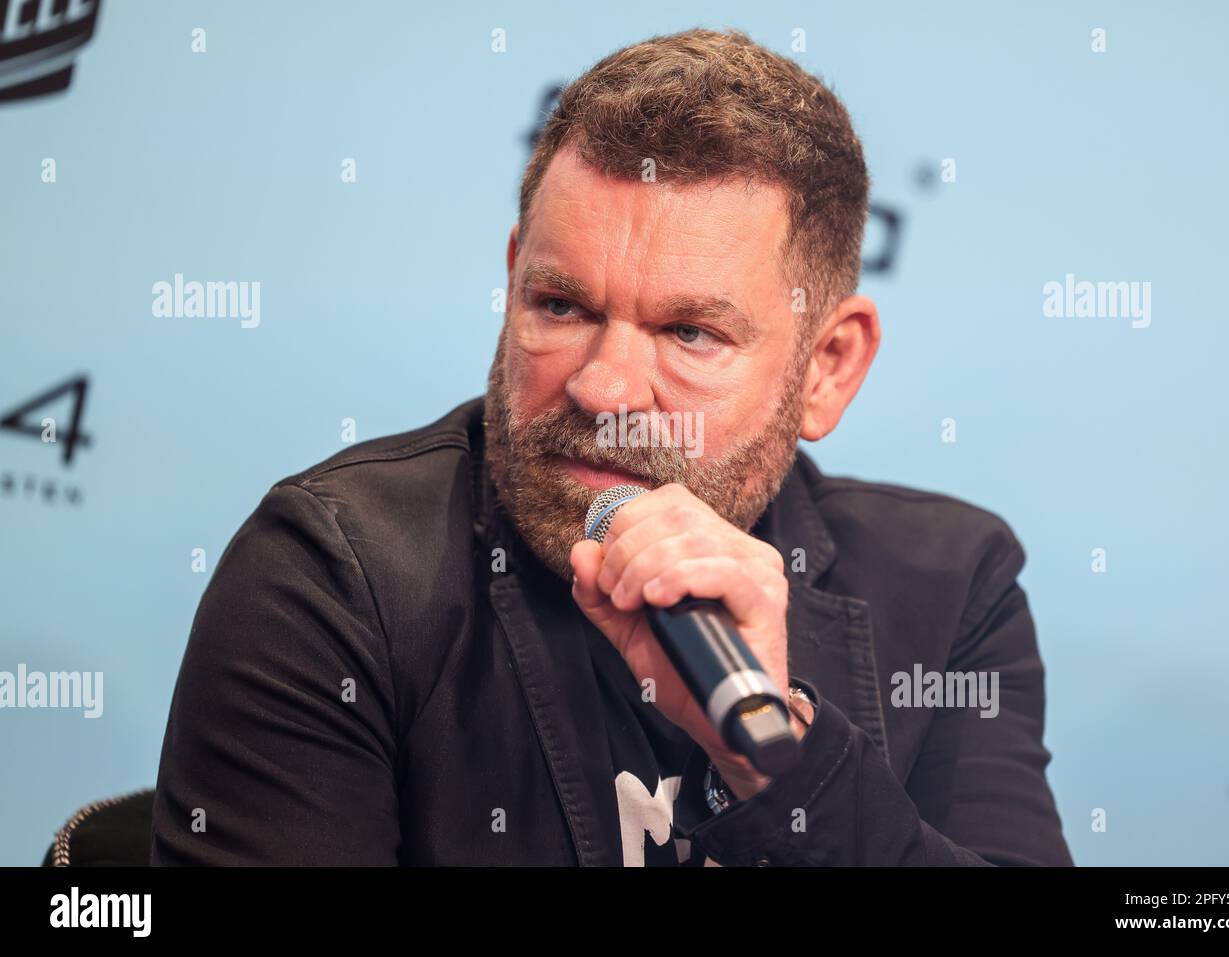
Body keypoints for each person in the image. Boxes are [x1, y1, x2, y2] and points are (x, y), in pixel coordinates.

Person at [150, 27, 1072, 866]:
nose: (603, 388)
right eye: (562, 306)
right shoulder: (331, 575)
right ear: (514, 278)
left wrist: (775, 760)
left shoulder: (950, 588)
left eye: (689, 333)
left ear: (827, 367)